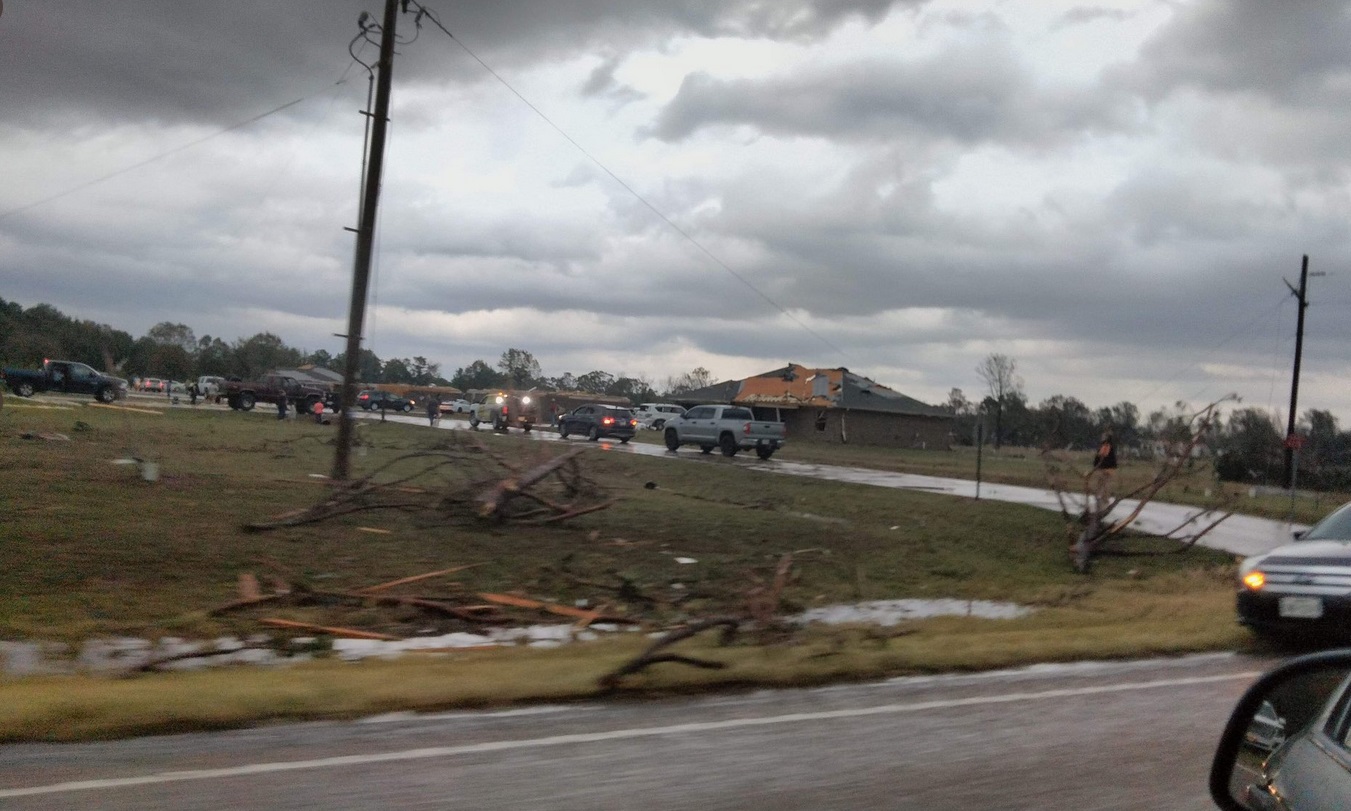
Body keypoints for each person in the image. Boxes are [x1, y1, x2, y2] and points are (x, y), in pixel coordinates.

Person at [1088, 429, 1118, 511]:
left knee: (1104, 485)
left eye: (1103, 436)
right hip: (1105, 468)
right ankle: (1100, 500)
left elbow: (1102, 456)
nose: (1101, 438)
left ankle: (1104, 501)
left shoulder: (1107, 446)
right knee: (1101, 484)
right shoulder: (1106, 446)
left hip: (1106, 468)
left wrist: (1096, 465)